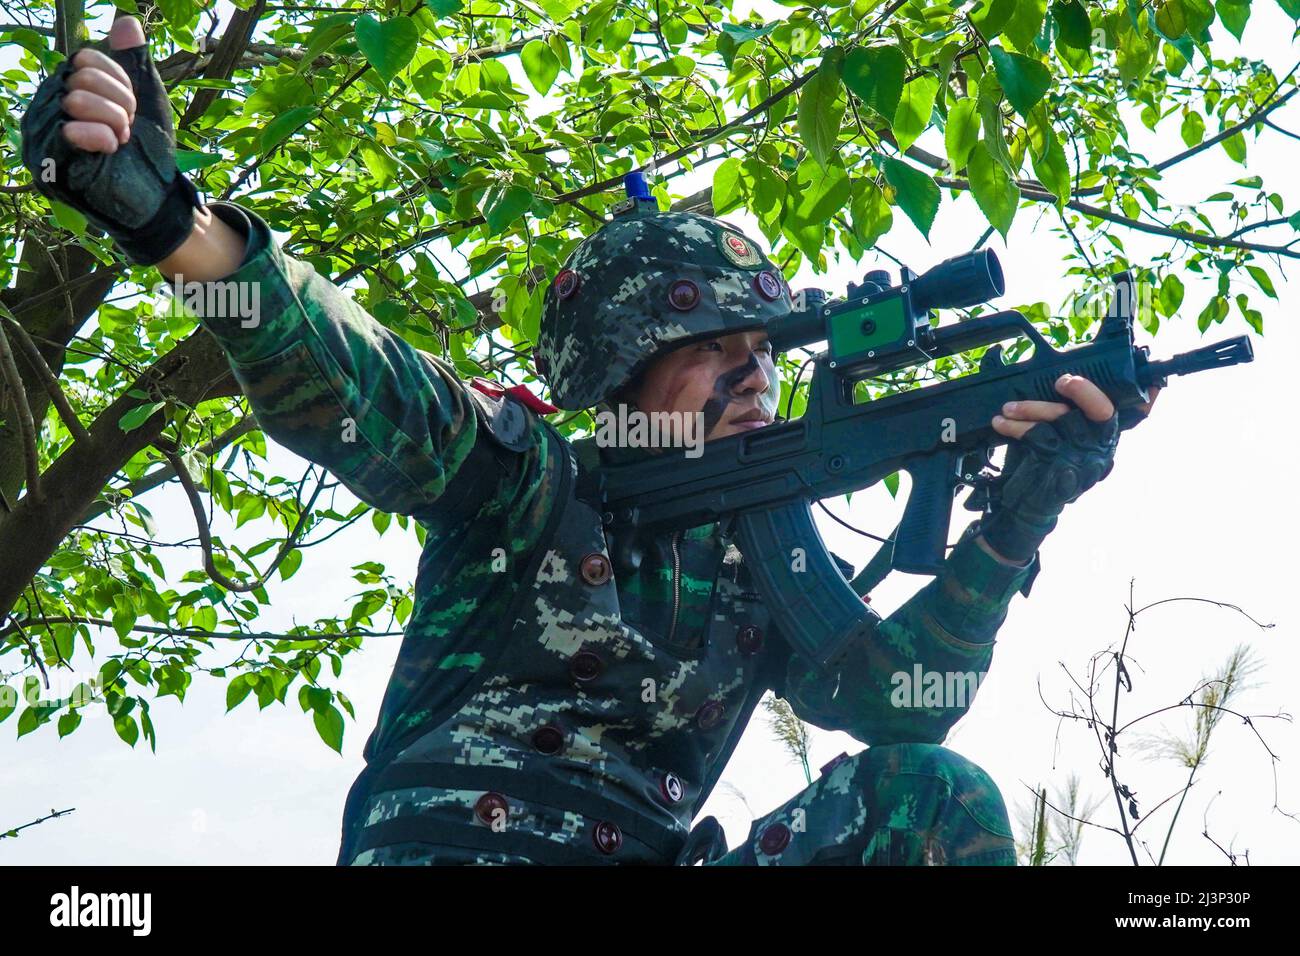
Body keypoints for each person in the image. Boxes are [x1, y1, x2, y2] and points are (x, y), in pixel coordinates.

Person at [20, 16, 1158, 866]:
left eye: (766, 351)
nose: (754, 375)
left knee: (929, 794)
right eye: (715, 350)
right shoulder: (528, 477)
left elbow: (894, 700)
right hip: (457, 848)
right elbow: (339, 379)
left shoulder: (765, 552)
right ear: (625, 367)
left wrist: (1013, 523)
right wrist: (170, 226)